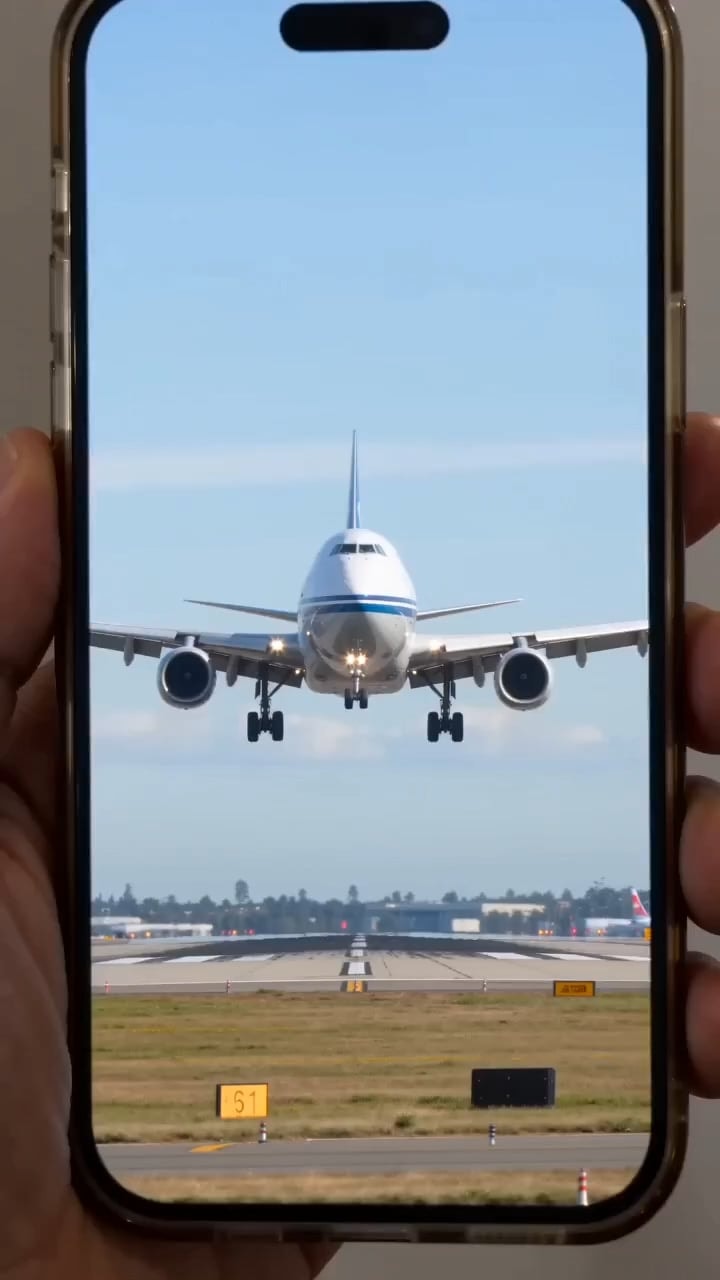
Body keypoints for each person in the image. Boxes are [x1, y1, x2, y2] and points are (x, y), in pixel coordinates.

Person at [2, 417, 720, 1278]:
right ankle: (282, 713)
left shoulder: (424, 641)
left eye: (374, 592)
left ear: (405, 607)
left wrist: (524, 664)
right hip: (286, 670)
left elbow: (549, 659)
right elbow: (161, 657)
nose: (359, 601)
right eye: (343, 593)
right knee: (259, 706)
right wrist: (187, 663)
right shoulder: (290, 635)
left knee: (455, 705)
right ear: (310, 605)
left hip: (414, 674)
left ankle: (437, 715)